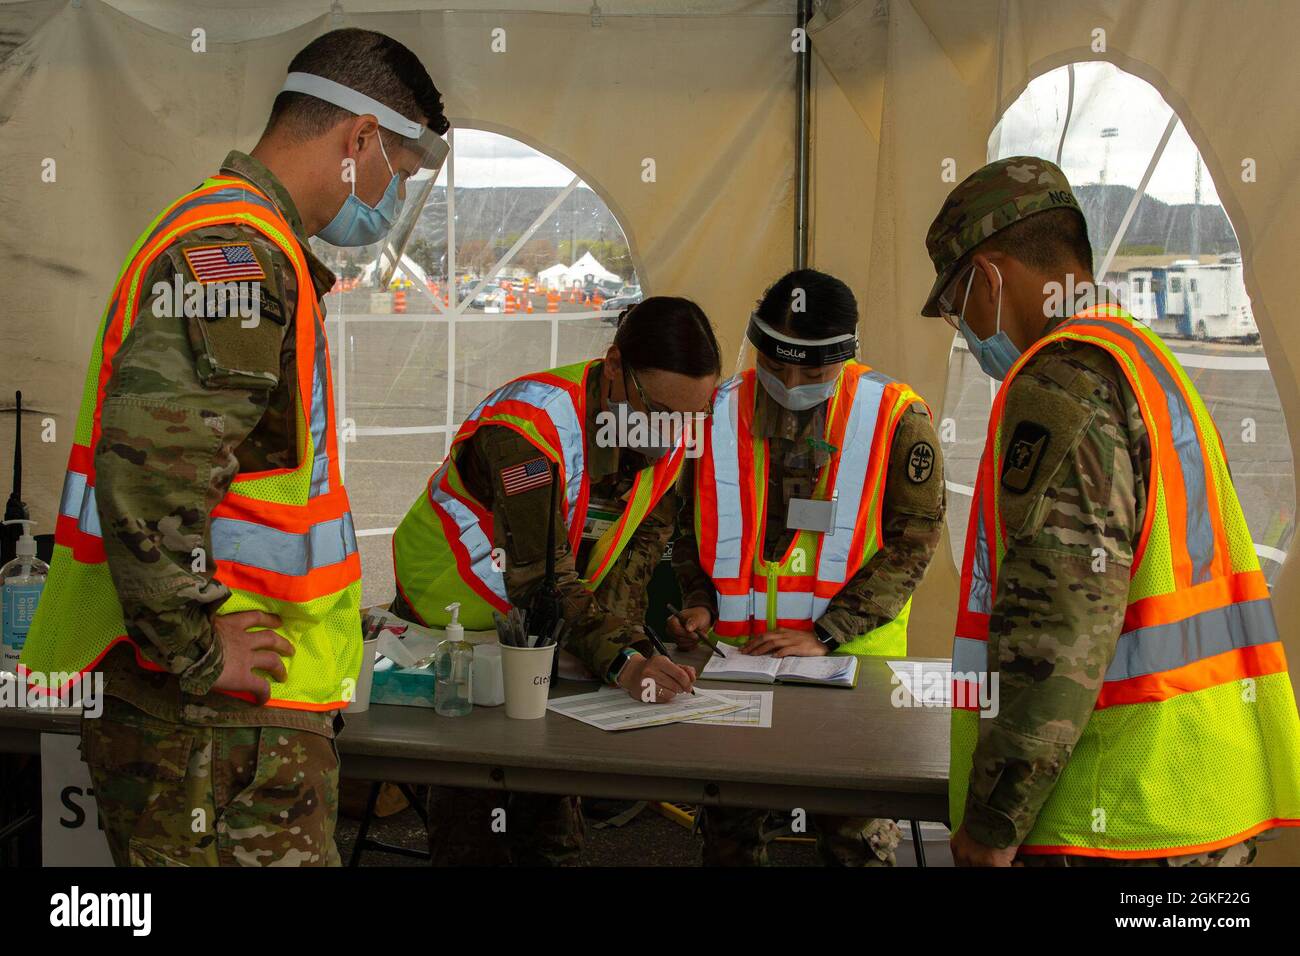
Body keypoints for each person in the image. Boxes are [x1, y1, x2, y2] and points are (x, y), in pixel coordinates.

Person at [19, 28, 451, 866]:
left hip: (223, 725)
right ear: (358, 139)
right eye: (396, 172)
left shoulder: (228, 236)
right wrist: (196, 645)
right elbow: (148, 472)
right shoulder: (239, 259)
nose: (391, 195)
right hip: (221, 734)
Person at [926, 156, 1300, 867]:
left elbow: (1057, 622)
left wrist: (995, 823)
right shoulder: (1147, 362)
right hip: (1200, 796)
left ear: (992, 276)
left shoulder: (1063, 381)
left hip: (1109, 817)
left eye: (956, 301)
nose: (961, 326)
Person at [390, 295, 722, 865]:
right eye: (661, 408)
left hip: (549, 635)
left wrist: (630, 649)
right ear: (614, 366)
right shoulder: (529, 429)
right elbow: (539, 577)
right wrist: (620, 660)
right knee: (477, 828)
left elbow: (635, 552)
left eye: (694, 415)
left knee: (552, 835)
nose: (675, 433)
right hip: (456, 631)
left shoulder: (667, 429)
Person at [670, 269, 946, 865]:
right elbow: (684, 527)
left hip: (849, 666)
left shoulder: (896, 418)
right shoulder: (711, 410)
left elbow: (913, 543)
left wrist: (826, 634)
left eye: (812, 374)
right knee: (731, 830)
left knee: (853, 833)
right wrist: (699, 600)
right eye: (776, 366)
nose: (790, 384)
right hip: (736, 666)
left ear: (847, 355)